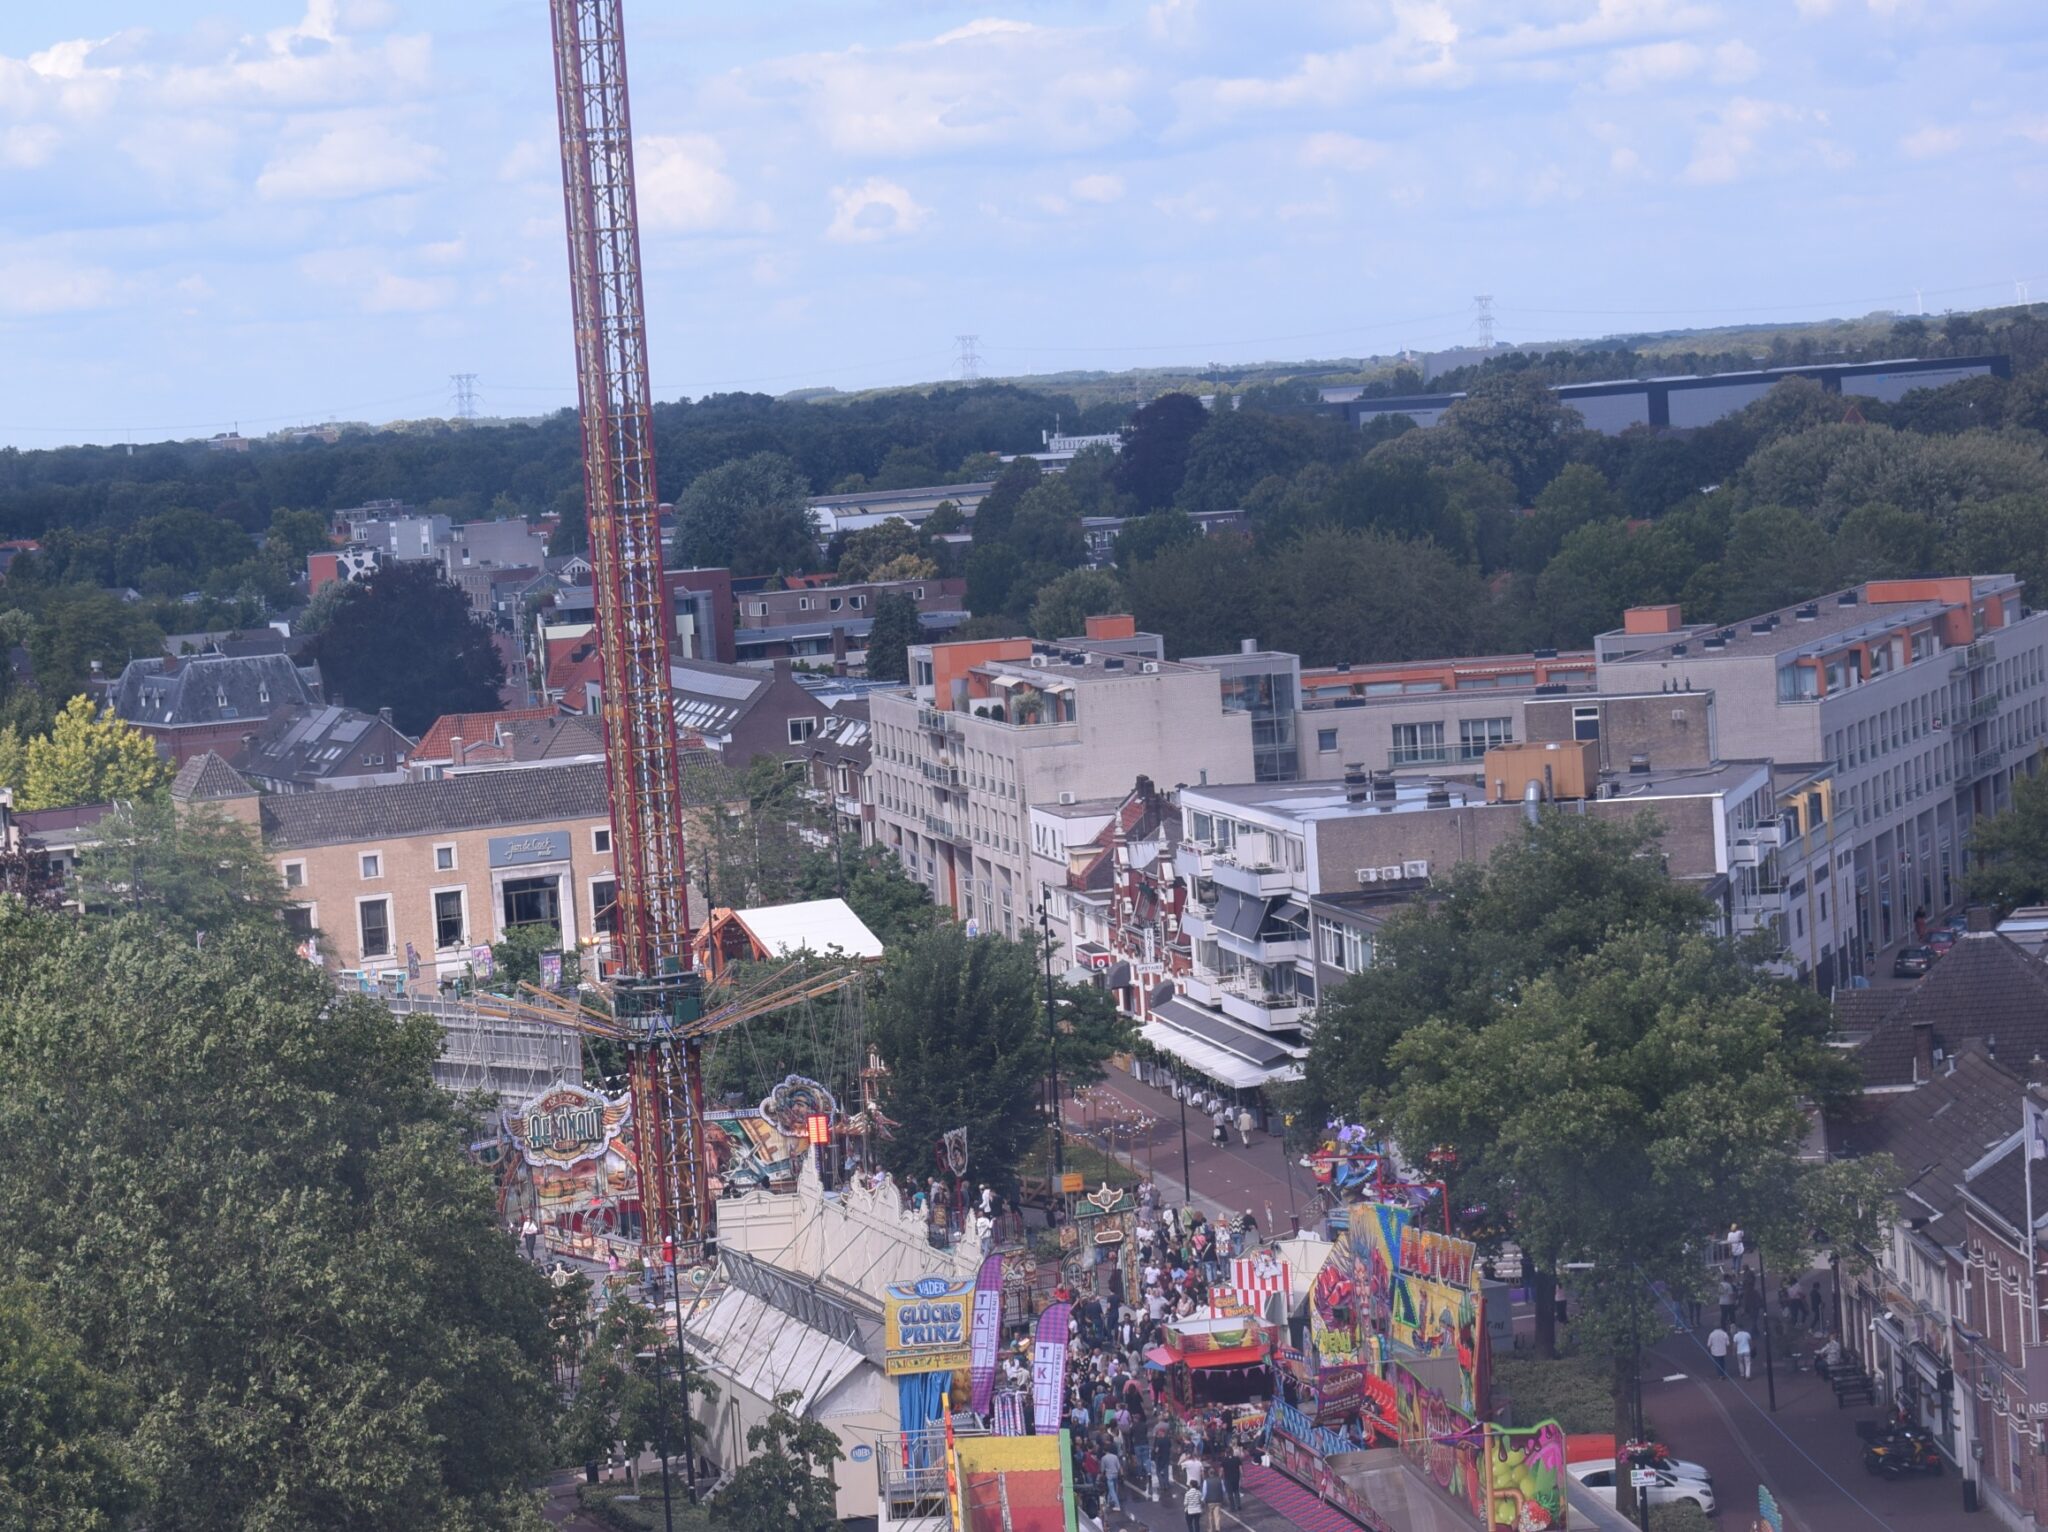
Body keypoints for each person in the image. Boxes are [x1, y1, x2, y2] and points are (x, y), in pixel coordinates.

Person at [1101, 1444, 1123, 1512]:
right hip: (1115, 1474)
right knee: (1114, 1489)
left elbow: (1102, 1469)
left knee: (1111, 1490)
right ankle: (1108, 1502)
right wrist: (1121, 1474)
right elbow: (1119, 1466)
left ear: (1104, 1450)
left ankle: (1117, 1505)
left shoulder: (1104, 1458)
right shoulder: (1115, 1457)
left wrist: (1102, 1474)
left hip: (1109, 1475)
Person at [1222, 1445, 1244, 1512]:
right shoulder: (1237, 1459)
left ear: (1226, 1453)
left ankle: (1232, 1506)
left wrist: (1221, 1477)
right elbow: (1240, 1469)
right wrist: (1242, 1476)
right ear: (1232, 1452)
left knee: (1230, 1493)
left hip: (1228, 1479)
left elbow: (1222, 1470)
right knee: (1236, 1491)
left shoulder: (1224, 1460)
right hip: (1236, 1478)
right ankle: (1238, 1505)